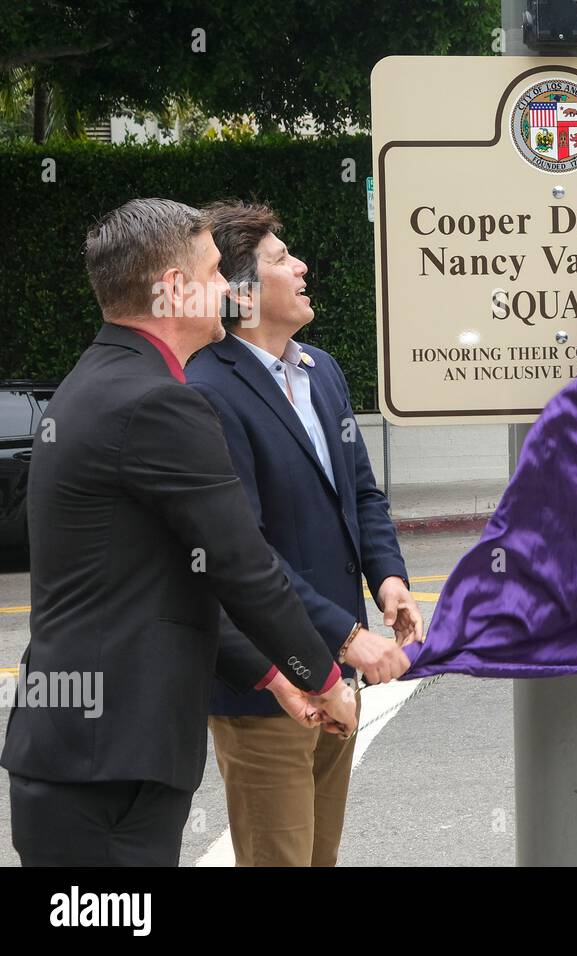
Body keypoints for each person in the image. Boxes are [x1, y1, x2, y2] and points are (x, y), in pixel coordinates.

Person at [3, 198, 358, 867]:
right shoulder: (160, 402)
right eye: (216, 272)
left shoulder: (99, 380)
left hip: (86, 755)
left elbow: (167, 577)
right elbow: (240, 565)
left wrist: (271, 677)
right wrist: (323, 676)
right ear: (172, 288)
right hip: (112, 762)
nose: (229, 290)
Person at [186, 201, 420, 867]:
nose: (302, 266)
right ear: (242, 291)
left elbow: (363, 494)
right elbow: (245, 552)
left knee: (318, 857)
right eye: (281, 258)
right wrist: (349, 637)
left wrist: (390, 578)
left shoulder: (322, 371)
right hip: (267, 690)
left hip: (337, 671)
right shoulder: (208, 391)